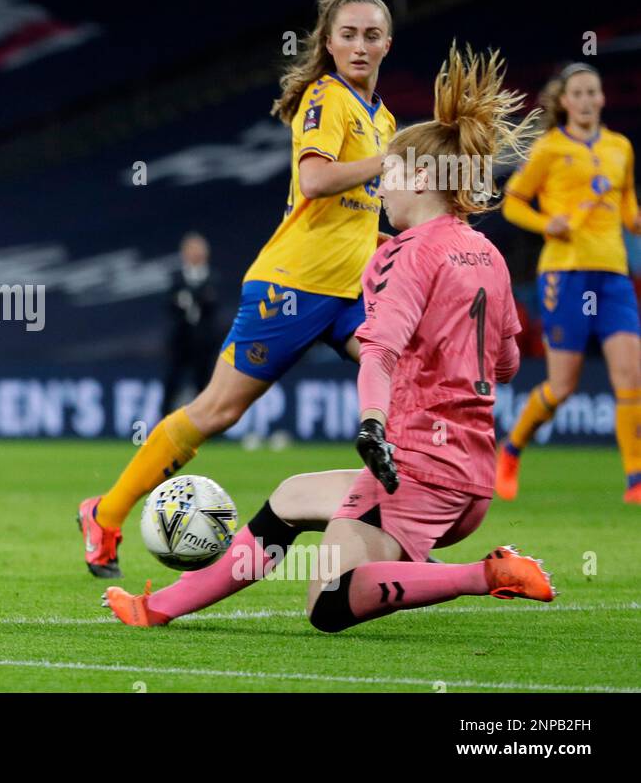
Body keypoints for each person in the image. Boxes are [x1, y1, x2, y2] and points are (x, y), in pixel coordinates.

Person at [104, 45, 555, 630]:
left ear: (420, 176)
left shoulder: (403, 253)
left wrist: (372, 422)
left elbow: (381, 350)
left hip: (413, 468)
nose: (380, 192)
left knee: (329, 603)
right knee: (292, 497)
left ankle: (485, 574)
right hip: (471, 475)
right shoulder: (488, 254)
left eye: (388, 175)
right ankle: (157, 608)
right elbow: (509, 364)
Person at [79, 0, 396, 577]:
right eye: (348, 34)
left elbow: (358, 217)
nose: (359, 45)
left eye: (371, 36)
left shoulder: (383, 119)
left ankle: (389, 524)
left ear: (387, 45)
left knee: (397, 382)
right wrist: (393, 160)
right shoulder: (327, 99)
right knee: (219, 410)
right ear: (328, 43)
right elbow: (316, 182)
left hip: (350, 292)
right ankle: (108, 511)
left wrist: (405, 241)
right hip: (293, 286)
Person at [496, 63, 641, 503]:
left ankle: (635, 481)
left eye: (591, 92)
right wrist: (547, 223)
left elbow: (628, 204)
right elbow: (512, 202)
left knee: (631, 378)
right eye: (576, 93)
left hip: (614, 275)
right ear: (563, 101)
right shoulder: (549, 149)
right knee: (562, 387)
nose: (584, 100)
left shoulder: (621, 147)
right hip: (565, 274)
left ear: (601, 98)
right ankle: (512, 449)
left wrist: (634, 219)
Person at [161, 232, 219, 417]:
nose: (194, 254)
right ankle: (163, 422)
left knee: (204, 384)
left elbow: (213, 306)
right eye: (190, 250)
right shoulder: (177, 278)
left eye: (198, 250)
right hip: (181, 340)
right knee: (172, 382)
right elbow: (169, 306)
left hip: (204, 342)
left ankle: (207, 426)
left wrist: (189, 299)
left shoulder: (213, 277)